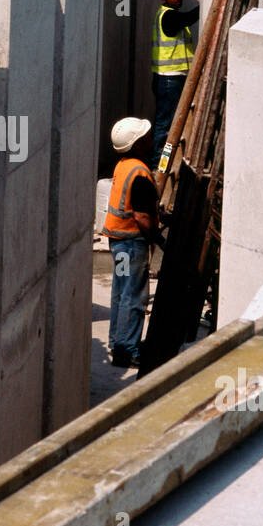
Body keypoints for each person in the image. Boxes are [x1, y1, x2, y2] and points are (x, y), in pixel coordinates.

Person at [100, 117, 165, 370]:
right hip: (131, 244)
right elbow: (141, 216)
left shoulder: (123, 165)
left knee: (121, 293)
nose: (150, 138)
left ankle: (118, 343)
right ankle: (128, 349)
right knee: (134, 297)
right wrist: (155, 237)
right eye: (145, 136)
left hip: (118, 242)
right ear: (137, 144)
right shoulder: (139, 172)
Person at [150, 0, 200, 171]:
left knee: (167, 123)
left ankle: (162, 164)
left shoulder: (169, 15)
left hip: (171, 78)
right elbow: (189, 17)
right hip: (169, 79)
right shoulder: (169, 16)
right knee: (165, 125)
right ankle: (158, 167)